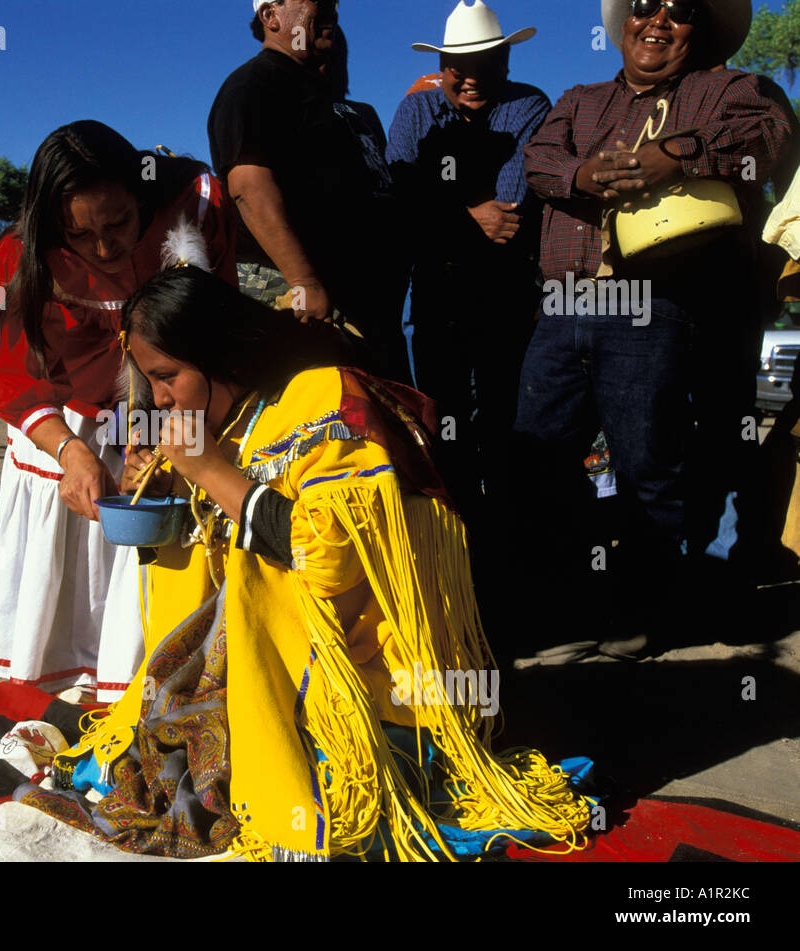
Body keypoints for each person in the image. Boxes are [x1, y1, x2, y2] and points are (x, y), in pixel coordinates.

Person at [19, 265, 593, 861]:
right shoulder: (238, 418)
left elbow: (325, 564)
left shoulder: (326, 401)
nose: (159, 399)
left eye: (167, 377)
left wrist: (211, 472)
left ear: (223, 355)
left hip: (371, 678)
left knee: (299, 795)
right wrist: (169, 492)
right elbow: (228, 560)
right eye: (150, 380)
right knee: (162, 757)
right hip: (277, 661)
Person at [517, 0, 795, 658]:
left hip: (655, 307)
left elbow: (771, 134)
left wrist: (682, 153)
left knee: (649, 467)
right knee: (535, 459)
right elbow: (538, 157)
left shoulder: (726, 88)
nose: (658, 20)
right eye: (645, 5)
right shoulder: (579, 100)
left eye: (681, 10)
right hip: (562, 306)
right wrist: (582, 175)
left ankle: (644, 615)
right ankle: (550, 601)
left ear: (700, 29)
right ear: (626, 20)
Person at [0, 120, 235, 702]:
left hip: (168, 408)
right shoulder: (21, 254)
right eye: (80, 235)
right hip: (66, 423)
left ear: (142, 193)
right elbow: (9, 373)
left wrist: (176, 430)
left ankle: (137, 691)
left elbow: (214, 332)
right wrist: (72, 452)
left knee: (157, 546)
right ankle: (66, 691)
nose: (104, 248)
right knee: (76, 579)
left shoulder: (192, 205)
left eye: (119, 223)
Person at [386, 1, 550, 628]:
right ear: (445, 65)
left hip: (507, 300)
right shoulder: (415, 109)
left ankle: (506, 576)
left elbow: (508, 209)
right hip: (435, 300)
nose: (472, 76)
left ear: (505, 59)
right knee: (441, 426)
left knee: (505, 429)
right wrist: (463, 213)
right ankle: (455, 576)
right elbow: (399, 194)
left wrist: (442, 211)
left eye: (486, 62)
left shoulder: (529, 105)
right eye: (460, 66)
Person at [208, 1, 410, 383]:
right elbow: (249, 189)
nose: (332, 5)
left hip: (359, 298)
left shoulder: (323, 96)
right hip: (298, 298)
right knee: (325, 417)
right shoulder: (254, 85)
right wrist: (304, 282)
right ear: (271, 16)